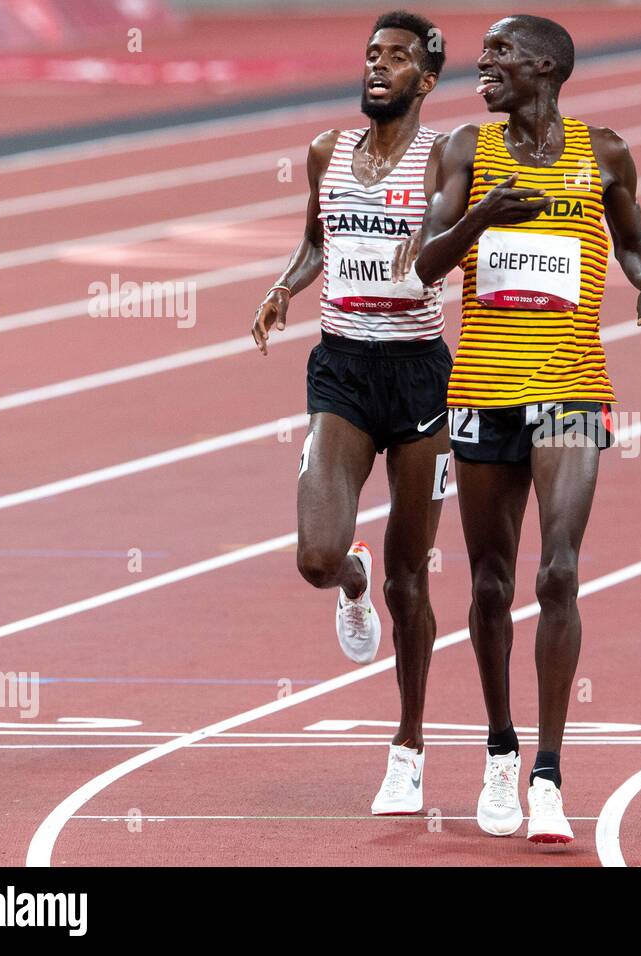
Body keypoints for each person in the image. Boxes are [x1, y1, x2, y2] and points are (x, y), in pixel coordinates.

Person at [413, 14, 641, 844]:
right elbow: (425, 263)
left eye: (498, 55)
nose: (482, 66)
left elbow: (631, 237)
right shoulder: (465, 149)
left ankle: (549, 776)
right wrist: (481, 217)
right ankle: (499, 748)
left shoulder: (604, 152)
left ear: (545, 67)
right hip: (484, 384)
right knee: (492, 583)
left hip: (571, 386)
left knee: (558, 574)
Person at [250, 10, 450, 817]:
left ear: (427, 80)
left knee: (413, 580)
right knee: (315, 556)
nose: (378, 66)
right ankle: (349, 576)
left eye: (398, 58)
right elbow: (315, 242)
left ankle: (407, 746)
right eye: (372, 54)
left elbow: (459, 243)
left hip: (420, 377)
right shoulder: (325, 153)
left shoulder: (446, 157)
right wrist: (281, 287)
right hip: (340, 369)